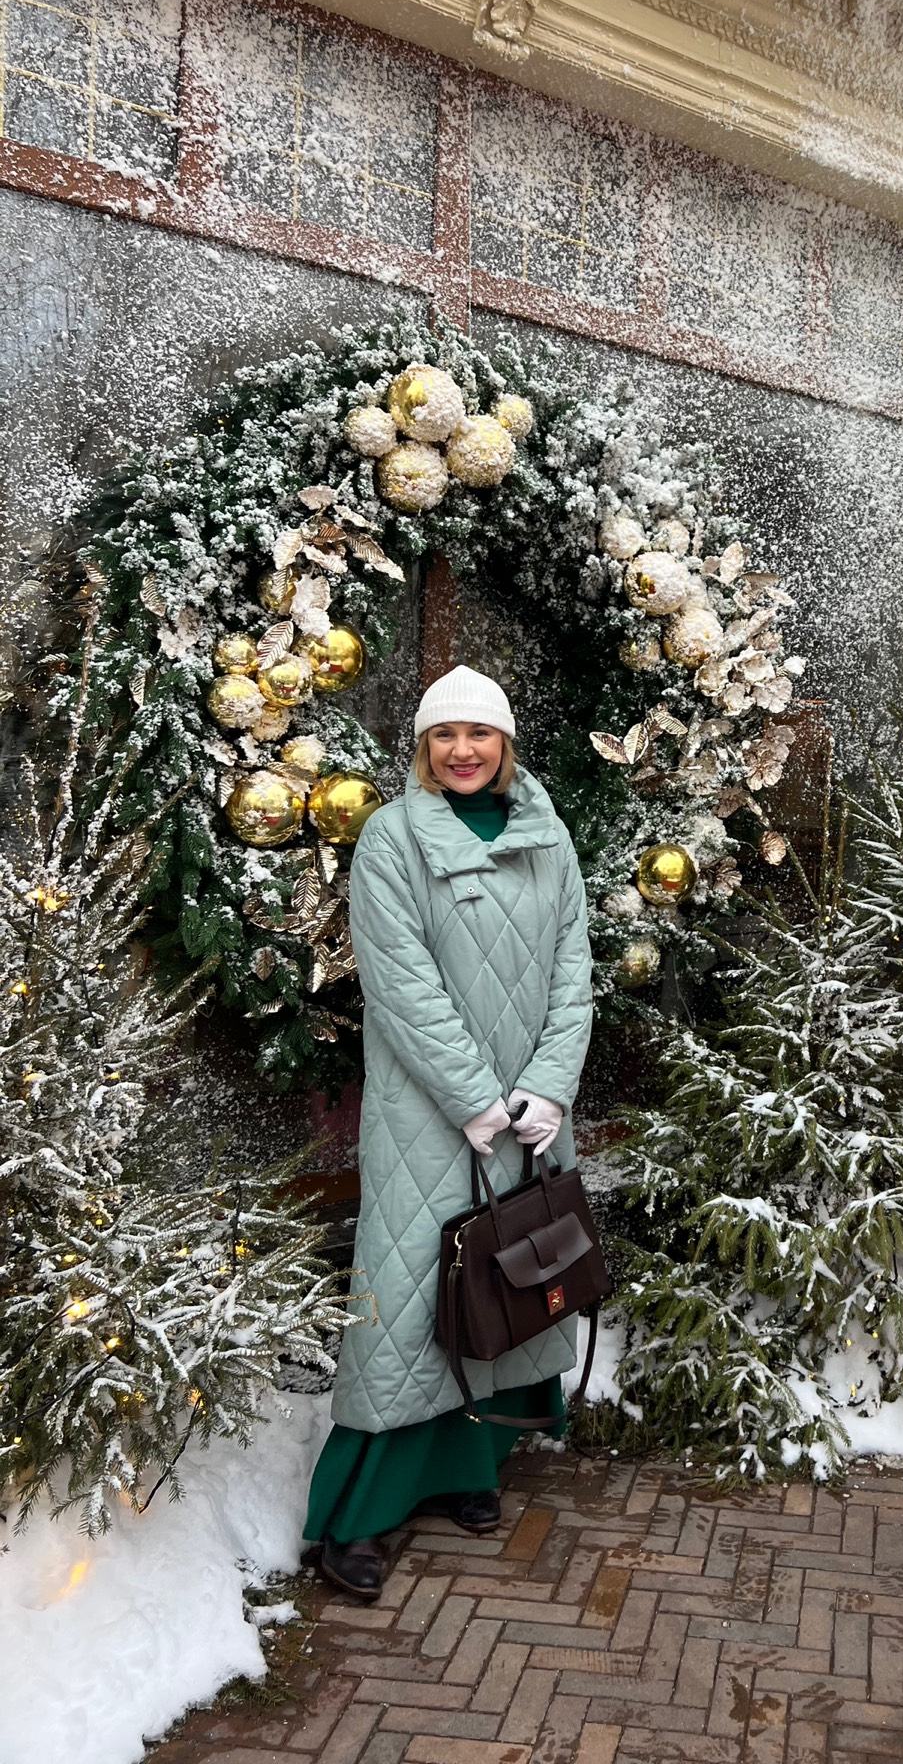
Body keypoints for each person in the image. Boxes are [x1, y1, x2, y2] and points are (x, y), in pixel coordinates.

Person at [303, 664, 594, 1598]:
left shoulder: (549, 839)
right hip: (434, 1117)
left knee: (511, 1281)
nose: (462, 751)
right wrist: (476, 1100)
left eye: (479, 735)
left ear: (504, 745)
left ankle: (472, 1470)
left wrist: (548, 1089)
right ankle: (361, 1516)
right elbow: (402, 988)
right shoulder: (391, 841)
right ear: (423, 750)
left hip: (533, 1121)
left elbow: (573, 974)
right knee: (415, 1293)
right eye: (443, 736)